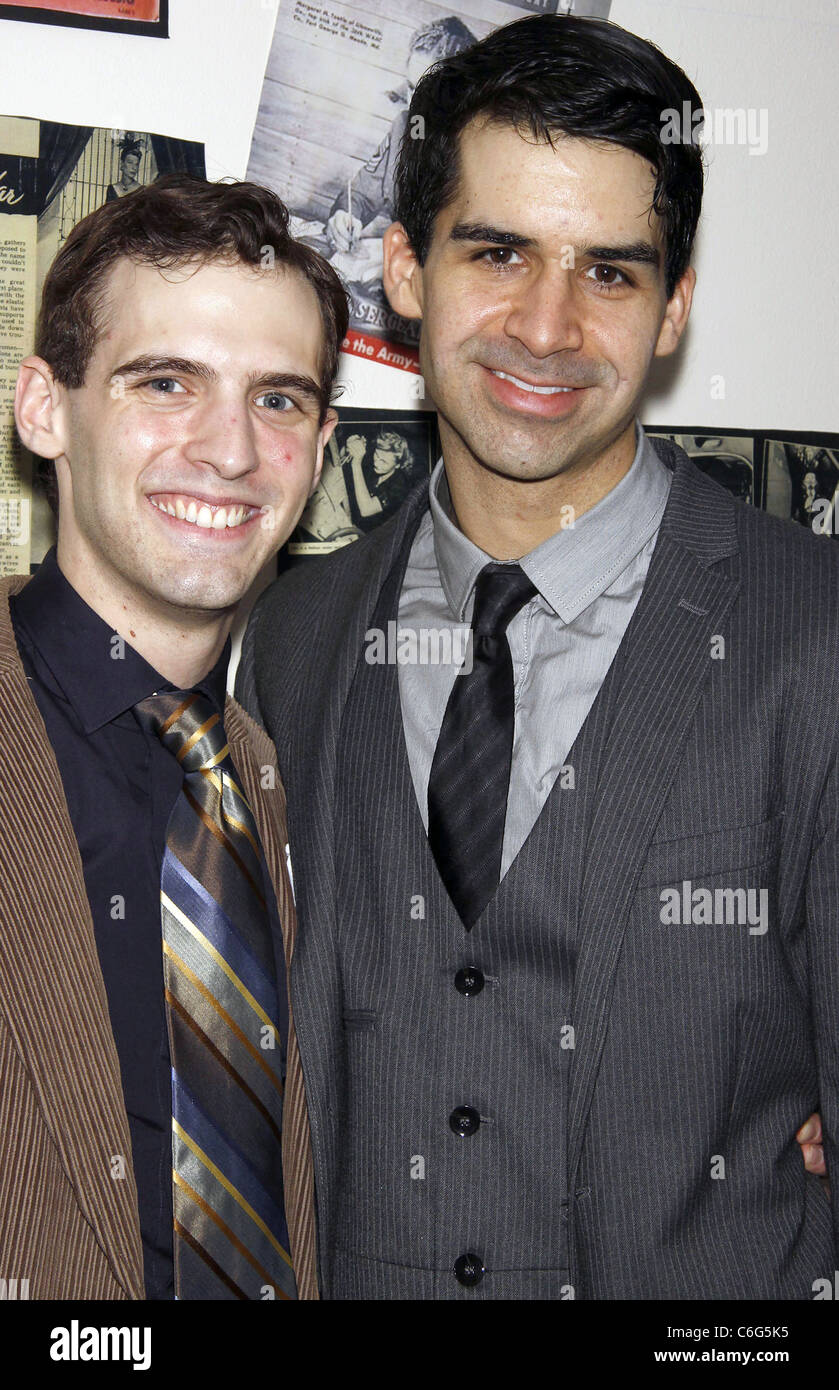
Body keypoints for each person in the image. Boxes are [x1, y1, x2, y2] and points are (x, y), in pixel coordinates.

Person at [239, 15, 836, 1299]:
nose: (547, 326)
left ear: (672, 307)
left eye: (610, 273)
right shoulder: (290, 638)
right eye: (497, 252)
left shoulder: (815, 634)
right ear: (403, 270)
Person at [0, 174, 346, 1299]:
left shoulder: (276, 768)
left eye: (279, 400)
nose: (232, 451)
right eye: (166, 382)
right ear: (45, 406)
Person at [325, 17, 476, 256]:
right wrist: (345, 216)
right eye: (411, 87)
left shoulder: (483, 148)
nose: (413, 103)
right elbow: (363, 193)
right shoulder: (403, 127)